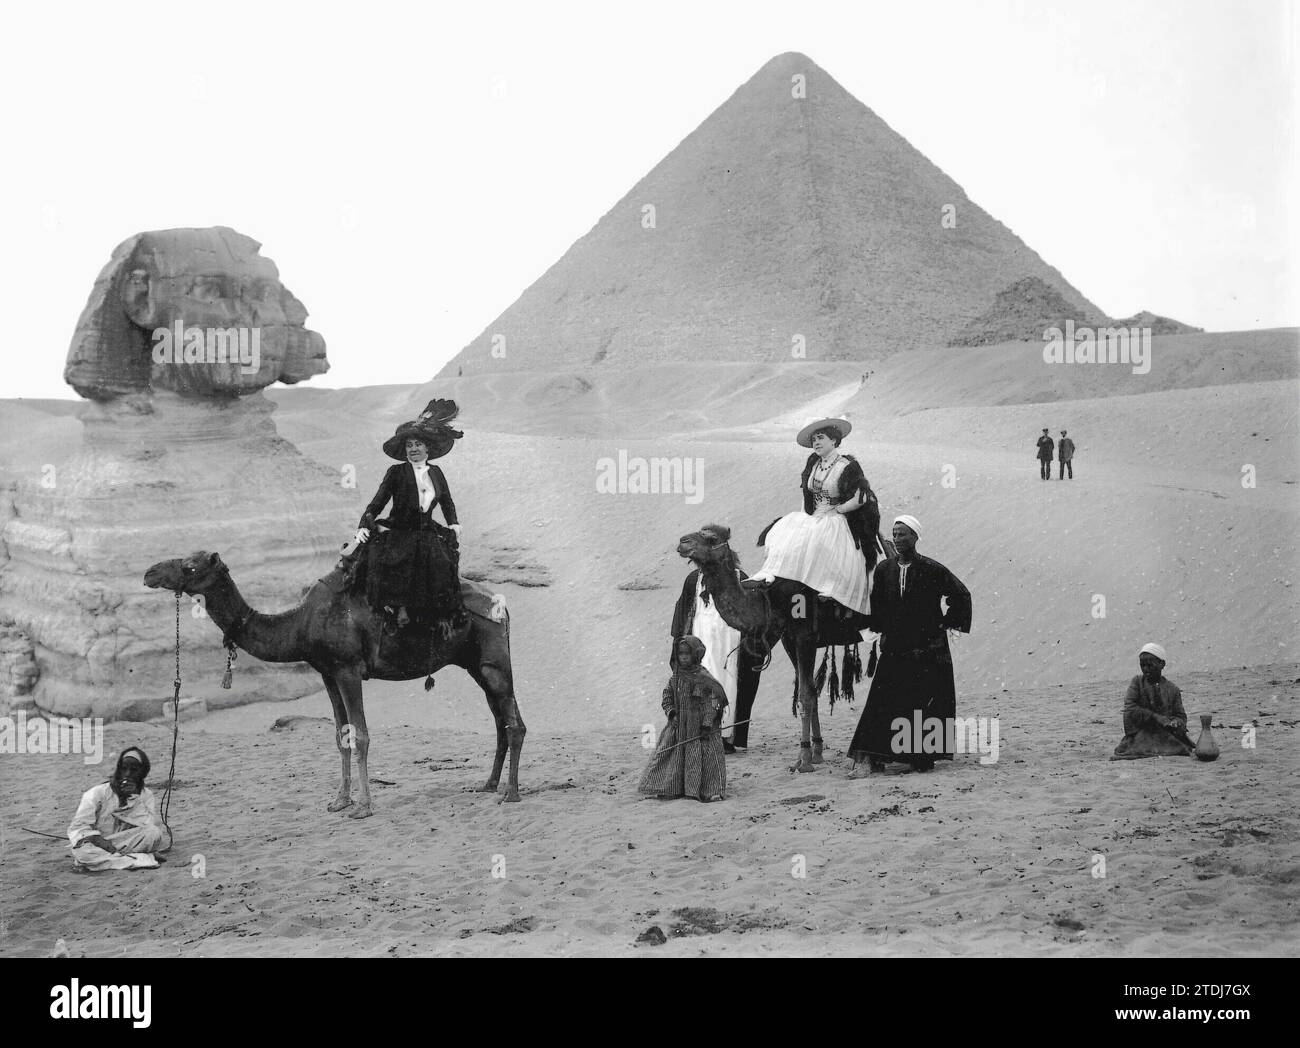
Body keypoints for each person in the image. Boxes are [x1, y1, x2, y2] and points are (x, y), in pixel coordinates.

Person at [848, 516, 972, 776]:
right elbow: (877, 605)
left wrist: (946, 624)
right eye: (895, 534)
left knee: (920, 702)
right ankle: (874, 756)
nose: (897, 538)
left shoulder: (933, 569)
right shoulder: (884, 569)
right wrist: (875, 630)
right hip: (895, 645)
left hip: (926, 649)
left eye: (903, 534)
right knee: (883, 700)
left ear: (915, 537)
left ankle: (918, 758)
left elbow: (961, 595)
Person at [748, 418, 882, 616]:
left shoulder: (848, 466)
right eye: (813, 440)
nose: (816, 443)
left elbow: (861, 498)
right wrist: (805, 517)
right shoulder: (813, 462)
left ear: (834, 441)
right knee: (784, 535)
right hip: (814, 515)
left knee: (825, 544)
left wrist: (839, 511)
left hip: (838, 517)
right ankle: (769, 573)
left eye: (821, 438)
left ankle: (832, 589)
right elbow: (808, 493)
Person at [355, 399, 464, 630]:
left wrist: (453, 523)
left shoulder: (436, 472)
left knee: (443, 563)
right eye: (409, 446)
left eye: (417, 444)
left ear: (427, 448)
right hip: (400, 529)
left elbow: (446, 501)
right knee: (395, 560)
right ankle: (397, 610)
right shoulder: (396, 472)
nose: (413, 449)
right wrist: (363, 525)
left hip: (427, 529)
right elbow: (378, 501)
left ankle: (442, 615)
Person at [671, 524, 762, 754]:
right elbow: (682, 612)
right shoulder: (694, 580)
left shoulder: (741, 579)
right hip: (700, 639)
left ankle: (724, 736)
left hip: (731, 641)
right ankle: (697, 734)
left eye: (710, 541)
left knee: (728, 683)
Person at [638, 637, 728, 802]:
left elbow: (713, 703)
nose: (684, 657)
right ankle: (673, 788)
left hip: (700, 729)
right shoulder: (675, 678)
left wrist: (707, 724)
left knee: (703, 761)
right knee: (671, 758)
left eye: (687, 653)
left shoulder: (704, 678)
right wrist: (672, 713)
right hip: (679, 727)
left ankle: (707, 791)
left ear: (696, 654)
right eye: (681, 654)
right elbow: (667, 697)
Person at [67, 748, 166, 871]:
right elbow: (78, 827)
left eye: (134, 770)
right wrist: (96, 839)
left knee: (154, 833)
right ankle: (140, 859)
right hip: (98, 843)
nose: (128, 774)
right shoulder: (97, 793)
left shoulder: (146, 795)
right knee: (83, 853)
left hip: (125, 842)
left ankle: (117, 861)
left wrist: (133, 798)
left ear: (142, 772)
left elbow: (147, 825)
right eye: (124, 769)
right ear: (118, 769)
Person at [1111, 643, 1194, 759]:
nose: (1145, 669)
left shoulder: (1172, 689)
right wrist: (1156, 718)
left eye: (1150, 665)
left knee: (1179, 746)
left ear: (1162, 664)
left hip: (1166, 734)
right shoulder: (1137, 683)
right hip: (1140, 733)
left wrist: (1176, 722)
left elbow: (1181, 716)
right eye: (1142, 665)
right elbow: (1130, 708)